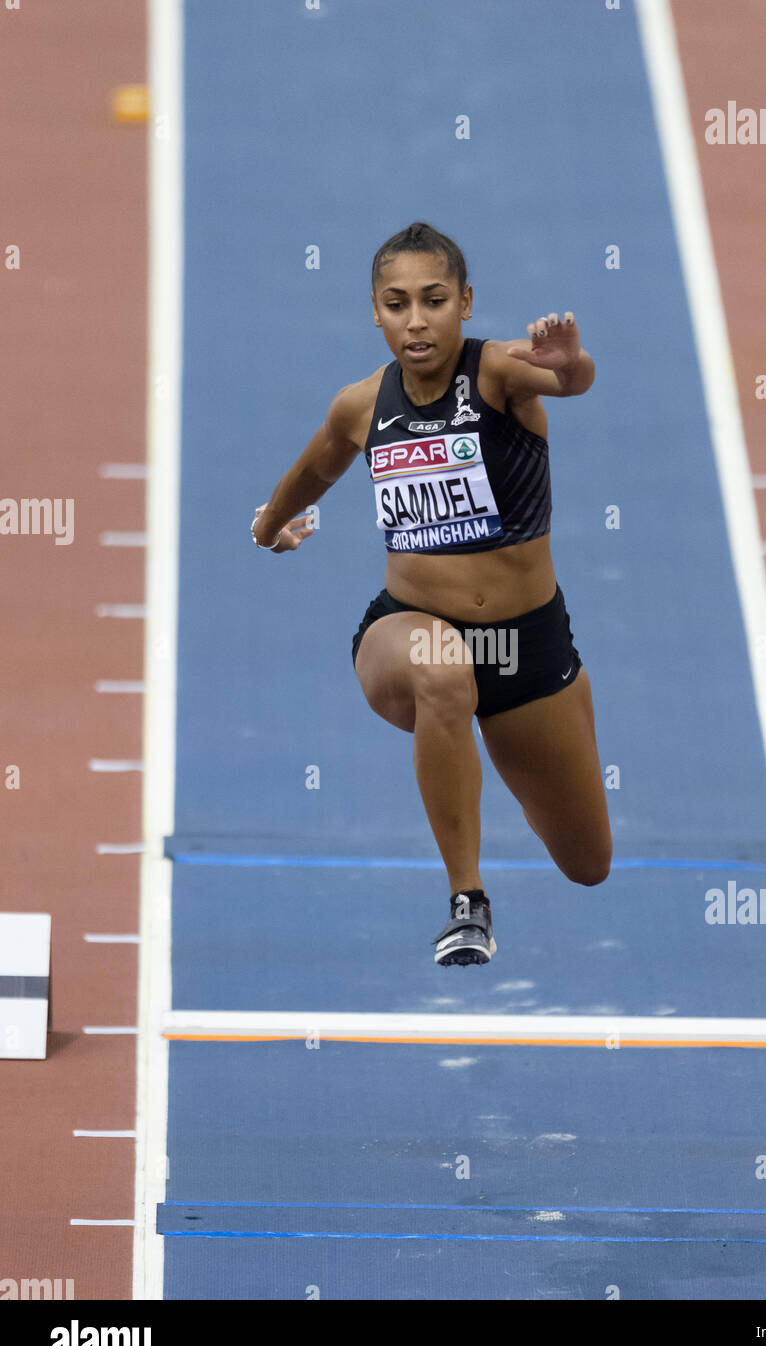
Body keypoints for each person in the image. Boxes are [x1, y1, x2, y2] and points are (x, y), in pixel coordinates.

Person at [252, 222, 612, 967]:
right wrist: (268, 527)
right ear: (375, 313)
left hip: (525, 646)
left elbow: (570, 381)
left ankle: (523, 737)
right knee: (443, 666)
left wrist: (573, 364)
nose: (416, 321)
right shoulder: (361, 405)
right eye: (397, 303)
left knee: (588, 861)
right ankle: (467, 901)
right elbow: (315, 469)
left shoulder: (503, 373)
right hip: (406, 636)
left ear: (466, 303)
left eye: (434, 300)